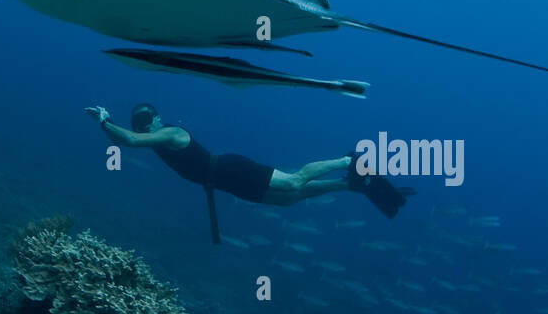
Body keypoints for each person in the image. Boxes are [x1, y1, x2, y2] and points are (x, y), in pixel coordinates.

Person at [85, 101, 414, 242]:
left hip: (230, 167)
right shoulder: (153, 142)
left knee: (294, 180)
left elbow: (127, 139)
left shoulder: (171, 134)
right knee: (290, 200)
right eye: (142, 121)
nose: (147, 122)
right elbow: (131, 138)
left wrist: (103, 119)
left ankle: (348, 160)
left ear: (159, 117)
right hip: (224, 183)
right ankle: (348, 185)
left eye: (150, 117)